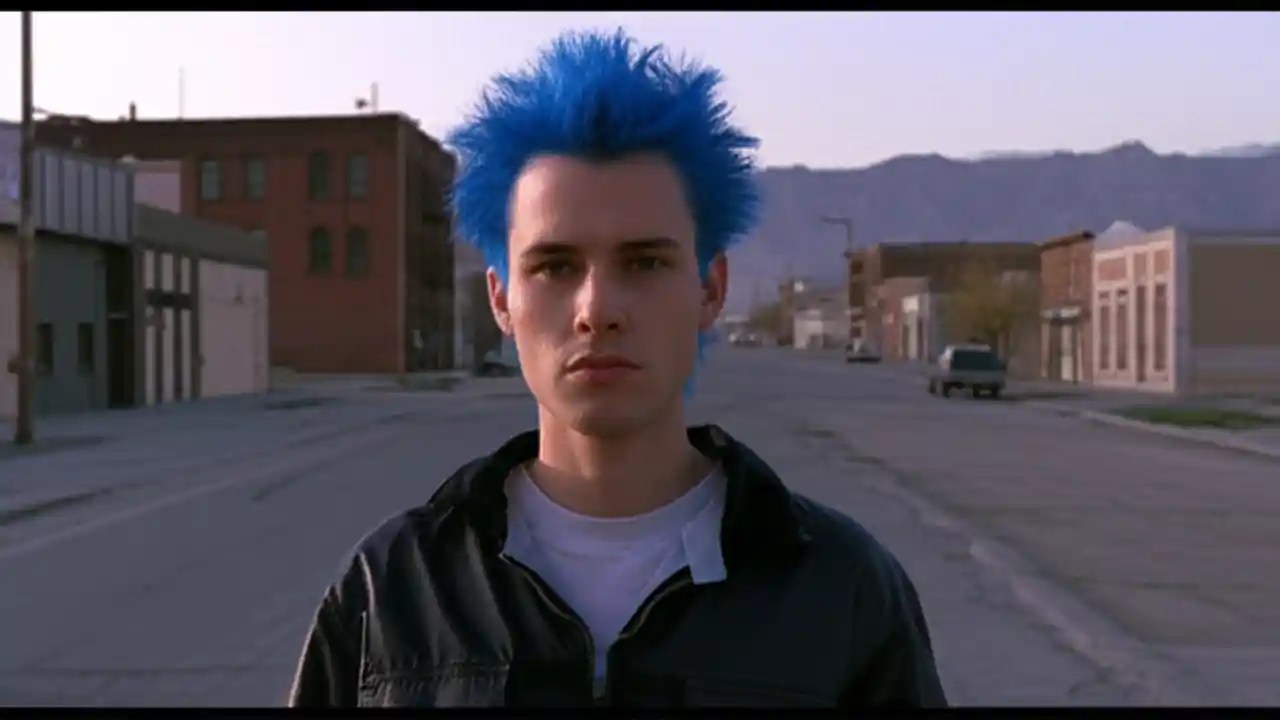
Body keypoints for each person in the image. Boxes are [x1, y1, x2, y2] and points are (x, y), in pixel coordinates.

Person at [288, 28, 947, 709]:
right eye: (554, 266)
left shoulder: (841, 590)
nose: (596, 309)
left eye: (645, 262)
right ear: (501, 300)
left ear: (710, 289)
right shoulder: (392, 589)